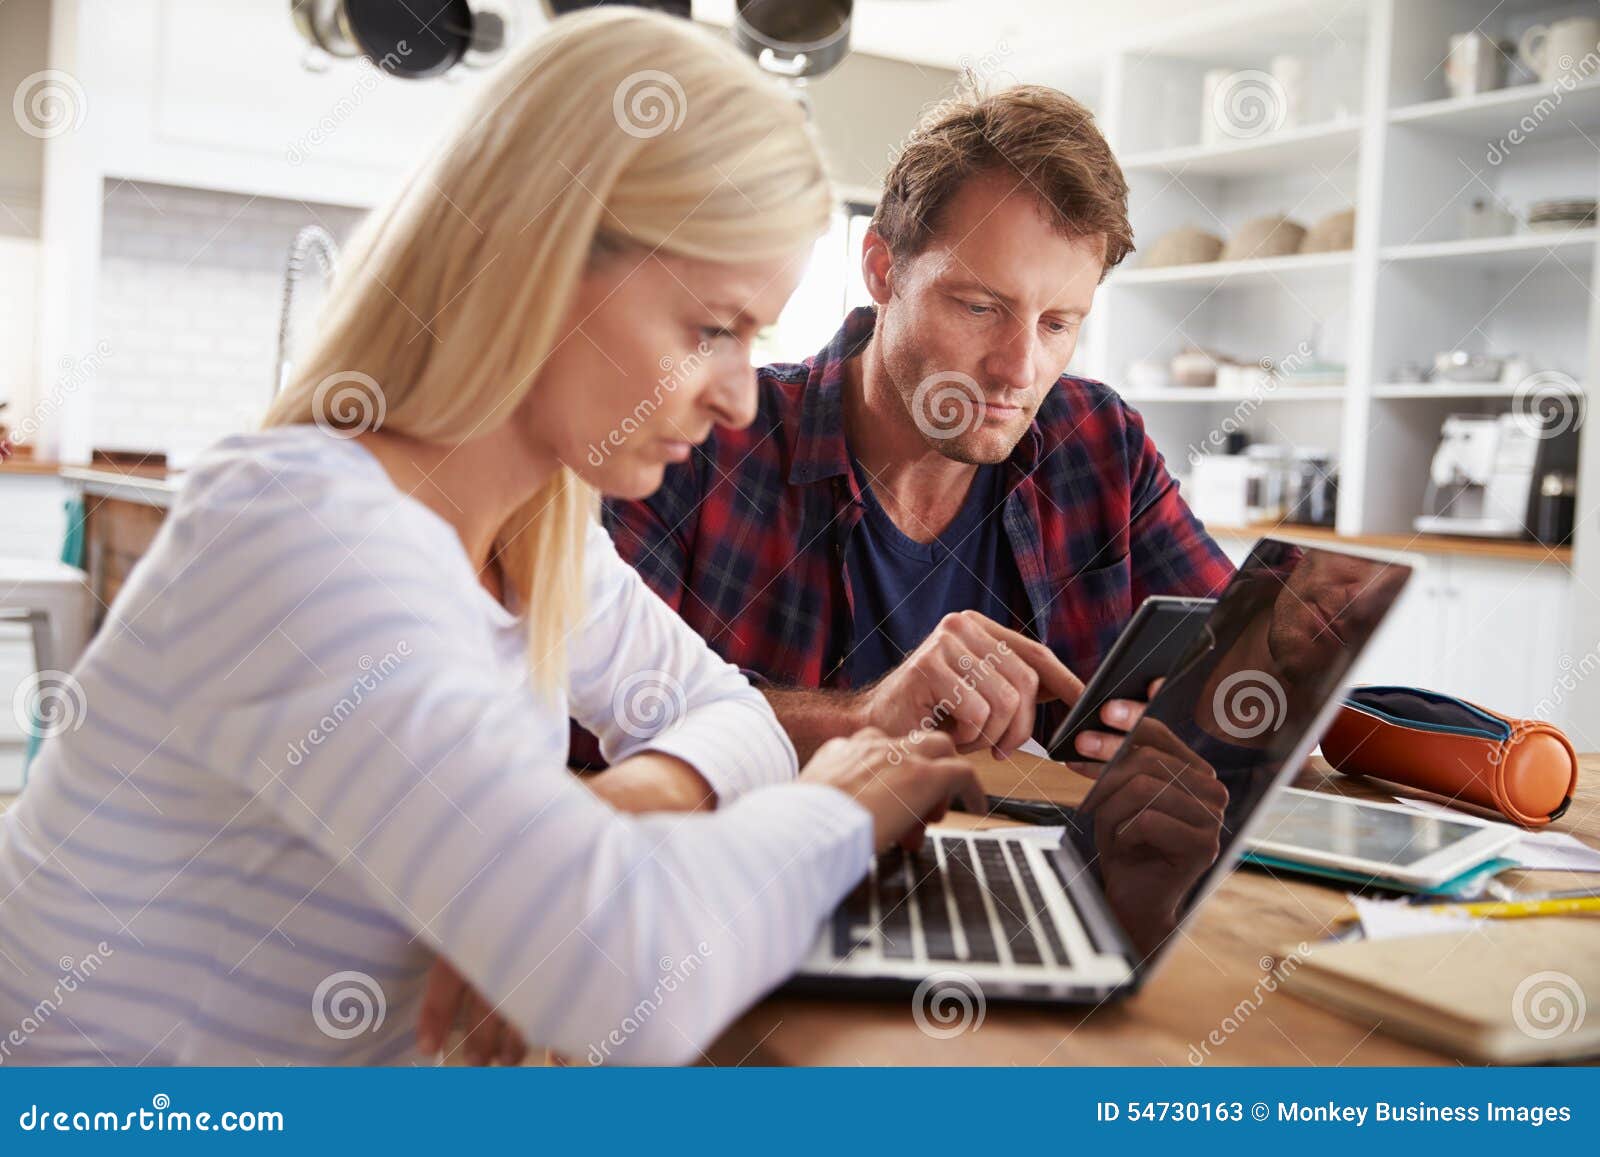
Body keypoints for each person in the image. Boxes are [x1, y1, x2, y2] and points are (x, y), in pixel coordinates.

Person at [0, 10, 985, 1067]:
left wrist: (621, 808)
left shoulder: (535, 532)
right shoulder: (305, 535)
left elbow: (727, 713)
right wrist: (843, 802)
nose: (741, 398)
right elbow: (621, 969)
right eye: (711, 326)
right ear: (536, 258)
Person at [601, 85, 1237, 766]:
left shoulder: (1101, 443)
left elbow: (1244, 665)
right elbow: (586, 713)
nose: (1019, 369)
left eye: (1057, 324)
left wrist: (1205, 714)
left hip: (1033, 864)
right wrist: (866, 716)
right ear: (881, 269)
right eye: (979, 308)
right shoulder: (702, 439)